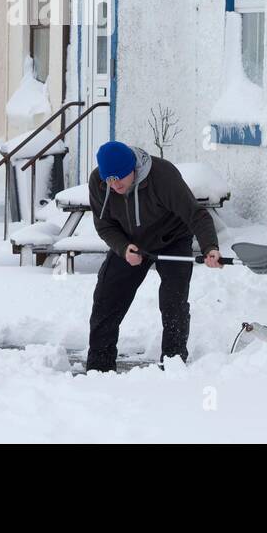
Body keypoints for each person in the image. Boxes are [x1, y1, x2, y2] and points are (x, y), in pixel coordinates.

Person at [86, 140, 222, 372]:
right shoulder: (99, 182)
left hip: (172, 239)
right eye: (109, 178)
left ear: (133, 169)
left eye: (119, 177)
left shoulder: (162, 176)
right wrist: (123, 247)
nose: (115, 184)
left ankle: (172, 364)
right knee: (106, 300)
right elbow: (104, 225)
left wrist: (210, 247)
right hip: (130, 243)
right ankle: (99, 369)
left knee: (173, 302)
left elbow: (196, 215)